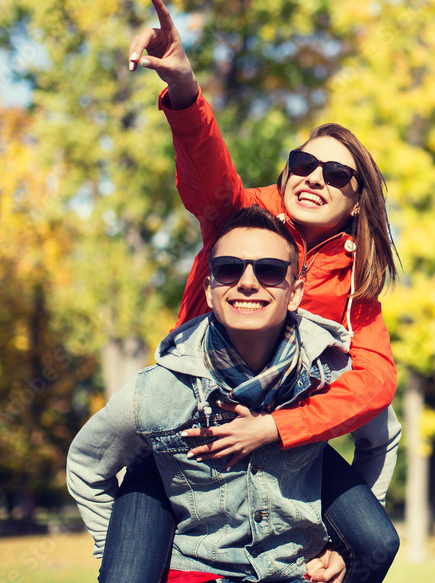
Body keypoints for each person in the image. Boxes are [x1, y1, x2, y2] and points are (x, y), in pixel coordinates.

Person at [100, 0, 401, 583]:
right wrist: (184, 90)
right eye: (303, 162)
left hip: (292, 447)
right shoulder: (242, 219)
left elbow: (375, 382)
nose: (314, 176)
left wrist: (278, 428)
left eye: (336, 174)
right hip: (196, 430)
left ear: (356, 199)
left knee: (374, 544)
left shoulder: (353, 287)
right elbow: (209, 173)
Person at [68, 206, 355, 582]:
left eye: (269, 270)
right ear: (209, 289)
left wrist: (343, 546)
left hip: (296, 572)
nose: (248, 283)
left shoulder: (330, 371)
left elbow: (380, 437)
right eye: (229, 269)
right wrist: (115, 552)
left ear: (296, 292)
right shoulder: (157, 392)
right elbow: (86, 467)